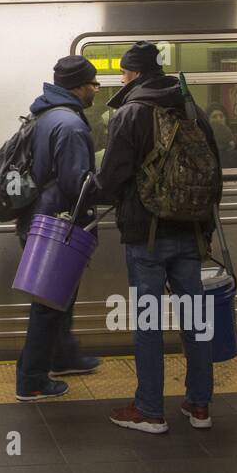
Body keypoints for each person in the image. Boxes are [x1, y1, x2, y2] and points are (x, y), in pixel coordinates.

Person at [92, 41, 223, 434]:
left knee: (148, 322)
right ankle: (199, 406)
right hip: (192, 231)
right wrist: (206, 228)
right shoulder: (192, 109)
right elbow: (214, 174)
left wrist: (94, 191)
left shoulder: (130, 112)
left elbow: (112, 176)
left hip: (146, 235)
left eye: (123, 72)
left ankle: (150, 410)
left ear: (132, 74)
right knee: (196, 320)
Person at [13, 56, 104, 402]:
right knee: (49, 305)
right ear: (79, 87)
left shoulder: (46, 114)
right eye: (93, 83)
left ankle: (63, 357)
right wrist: (104, 183)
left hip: (40, 219)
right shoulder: (70, 125)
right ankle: (32, 379)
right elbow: (74, 182)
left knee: (57, 299)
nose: (96, 89)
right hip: (57, 225)